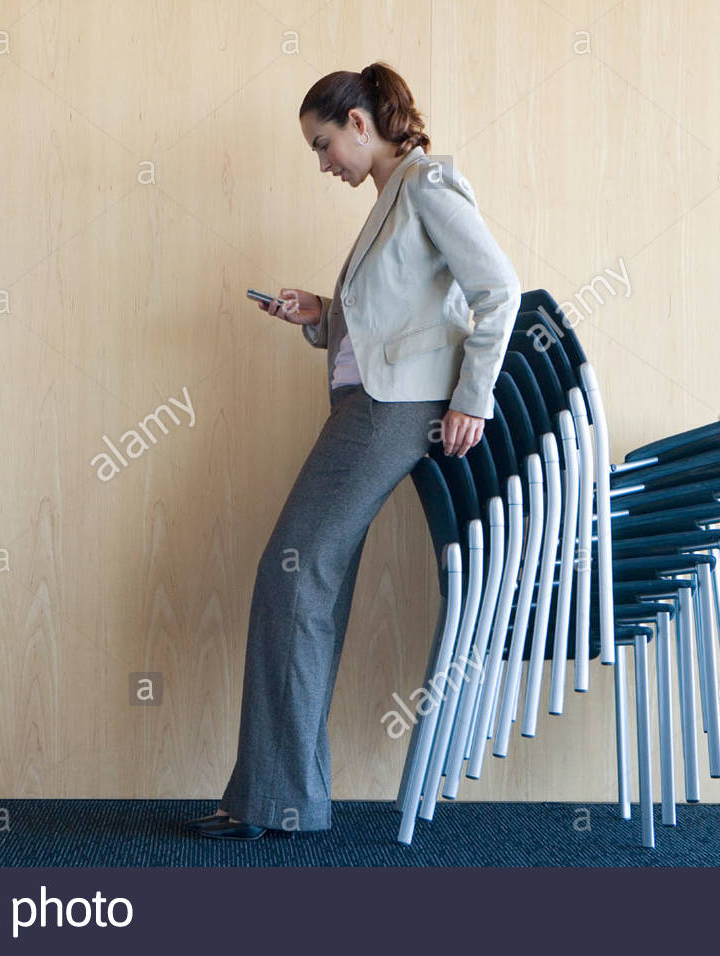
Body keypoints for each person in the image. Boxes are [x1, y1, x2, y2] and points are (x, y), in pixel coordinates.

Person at [186, 61, 521, 841]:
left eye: (324, 142)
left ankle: (275, 801)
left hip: (388, 412)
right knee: (310, 585)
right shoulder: (392, 199)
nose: (324, 161)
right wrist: (322, 314)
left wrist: (473, 397)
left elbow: (497, 290)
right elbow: (398, 318)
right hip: (369, 405)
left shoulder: (426, 184)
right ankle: (279, 799)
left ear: (361, 124)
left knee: (291, 574)